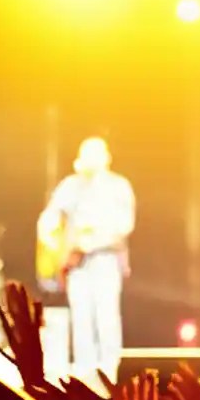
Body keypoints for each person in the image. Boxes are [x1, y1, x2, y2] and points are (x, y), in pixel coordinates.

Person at [37, 137, 135, 380]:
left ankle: (110, 371)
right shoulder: (71, 185)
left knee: (106, 315)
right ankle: (84, 371)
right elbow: (49, 217)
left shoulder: (119, 186)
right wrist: (54, 245)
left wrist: (89, 244)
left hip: (105, 258)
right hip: (76, 263)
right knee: (81, 315)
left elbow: (124, 225)